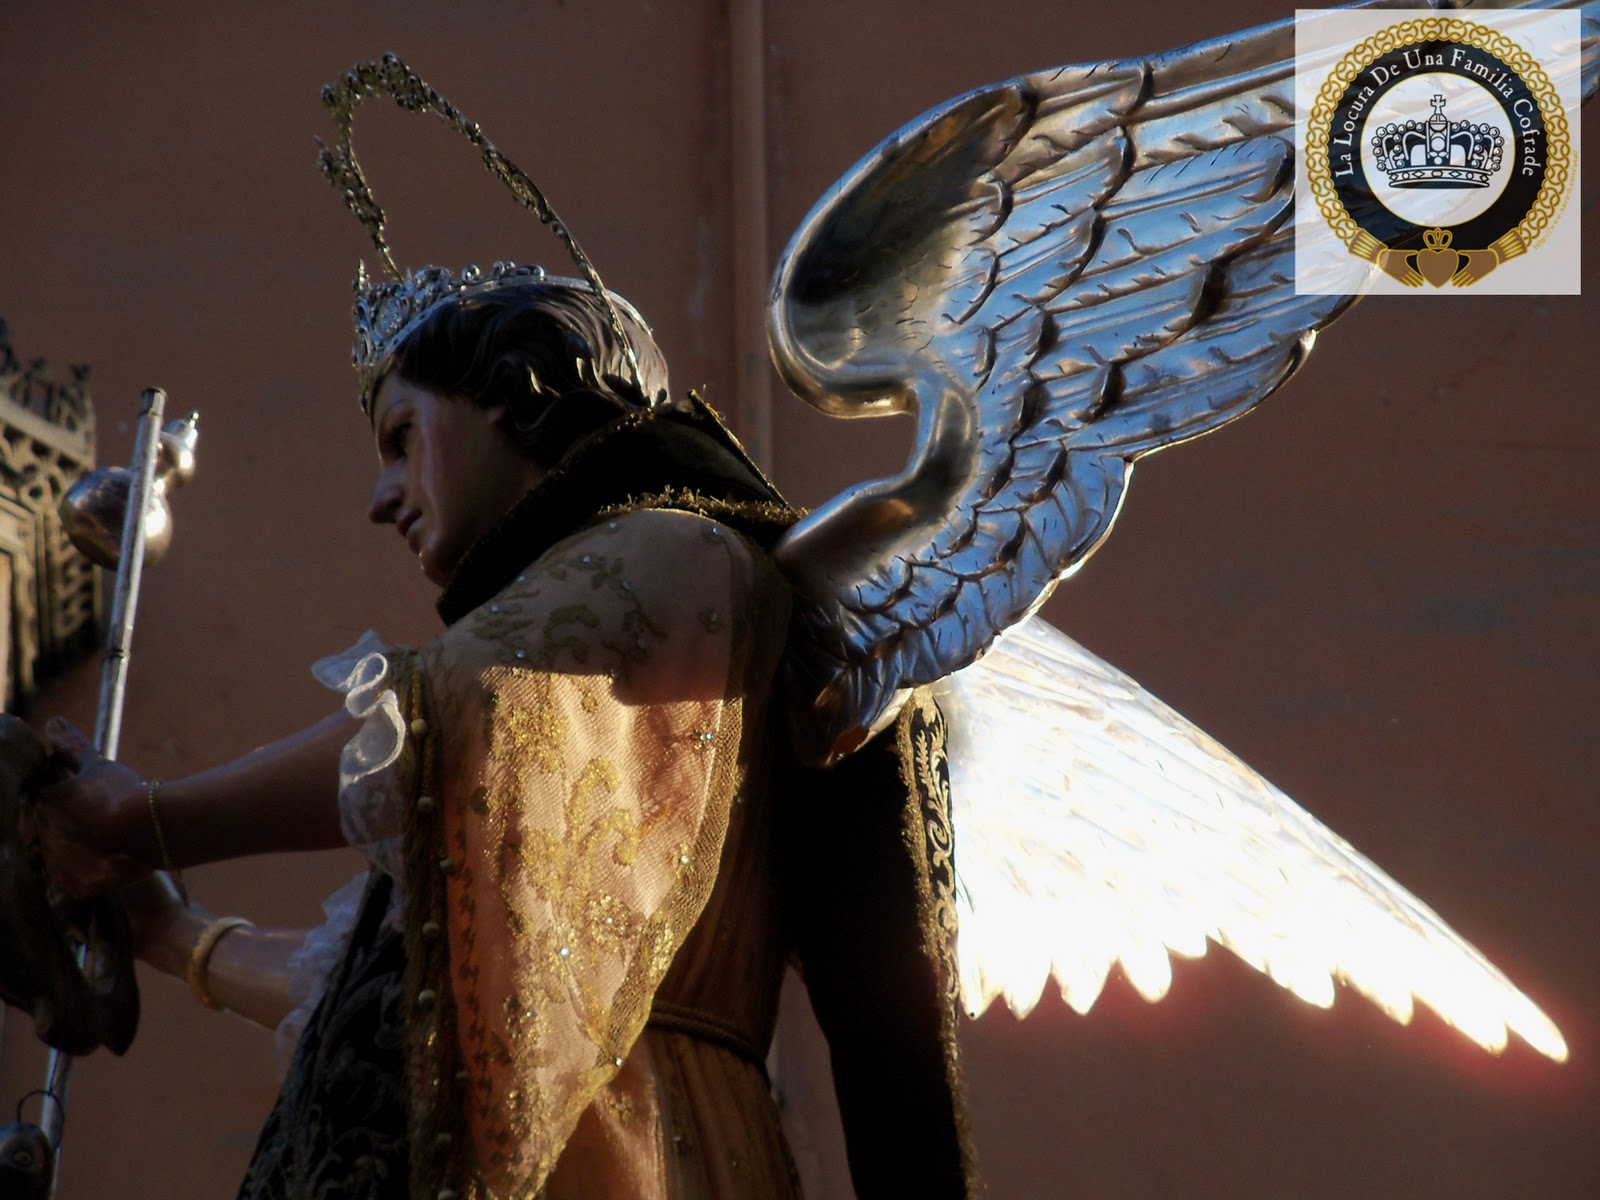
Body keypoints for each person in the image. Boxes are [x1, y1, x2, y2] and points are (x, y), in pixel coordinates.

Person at [34, 273, 974, 1199]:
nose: (380, 497)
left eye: (403, 439)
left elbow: (430, 721)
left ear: (519, 400)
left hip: (625, 1145)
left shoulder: (675, 552)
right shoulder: (537, 727)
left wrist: (143, 820)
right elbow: (397, 1007)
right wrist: (176, 935)